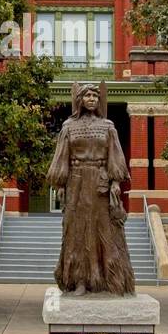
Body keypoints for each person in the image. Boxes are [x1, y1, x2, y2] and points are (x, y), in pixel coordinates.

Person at [46, 81, 134, 295]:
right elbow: (62, 156)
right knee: (76, 231)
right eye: (88, 95)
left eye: (95, 95)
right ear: (80, 100)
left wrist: (115, 183)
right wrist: (60, 184)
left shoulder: (108, 126)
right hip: (75, 182)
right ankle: (79, 280)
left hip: (100, 182)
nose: (92, 99)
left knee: (103, 230)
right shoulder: (69, 126)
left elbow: (115, 155)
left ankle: (107, 280)